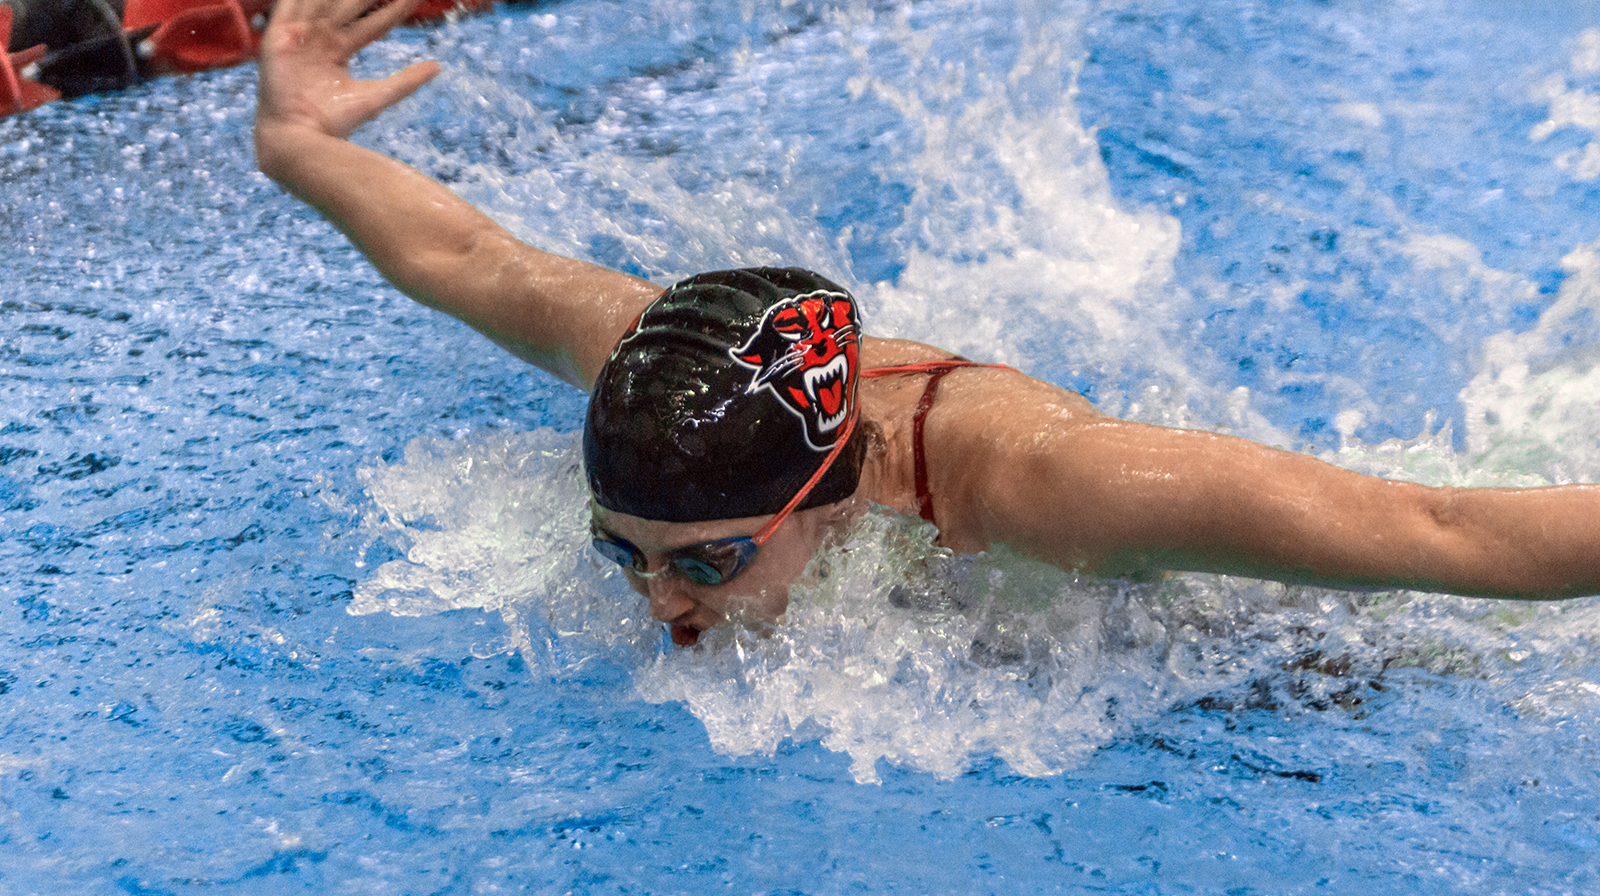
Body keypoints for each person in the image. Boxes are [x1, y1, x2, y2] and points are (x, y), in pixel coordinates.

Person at [255, 0, 1600, 647]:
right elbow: (465, 252)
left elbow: (1441, 530)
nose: (658, 605)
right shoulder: (661, 370)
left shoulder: (1054, 485)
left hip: (1193, 626)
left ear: (828, 492)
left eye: (707, 568)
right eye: (624, 555)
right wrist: (295, 139)